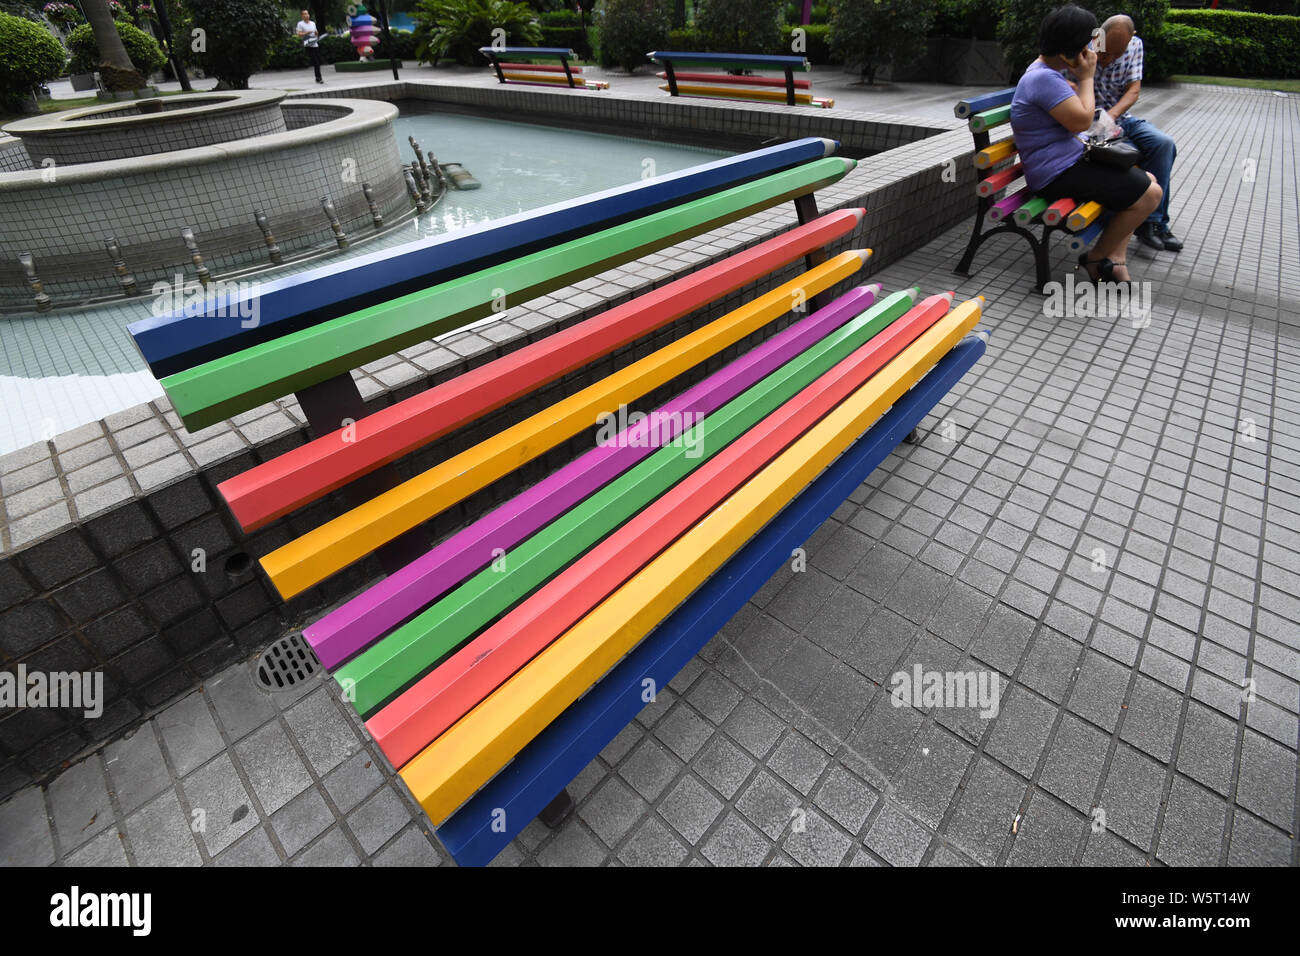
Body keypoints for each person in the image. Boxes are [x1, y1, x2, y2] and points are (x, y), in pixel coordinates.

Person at [1010, 4, 1161, 286]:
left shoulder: (1045, 70)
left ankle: (1114, 256)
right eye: (1089, 43)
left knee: (1148, 181)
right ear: (1075, 48)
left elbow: (1081, 113)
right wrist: (1087, 78)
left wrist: (1081, 84)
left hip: (1069, 162)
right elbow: (1082, 121)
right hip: (1054, 174)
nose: (1093, 49)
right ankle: (1096, 259)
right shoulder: (1044, 78)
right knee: (1150, 194)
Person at [1090, 14, 1182, 251]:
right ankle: (1145, 220)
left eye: (1116, 54)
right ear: (1098, 34)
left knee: (1163, 143)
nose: (1108, 59)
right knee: (1127, 155)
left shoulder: (1135, 45)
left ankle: (1152, 224)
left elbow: (1133, 91)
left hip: (1122, 119)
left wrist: (1111, 116)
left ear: (1131, 39)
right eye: (1105, 52)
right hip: (1090, 124)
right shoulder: (1086, 44)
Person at [297, 10, 324, 85]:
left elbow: (316, 33)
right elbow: (299, 34)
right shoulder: (300, 24)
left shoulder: (312, 23)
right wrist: (306, 33)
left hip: (315, 43)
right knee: (316, 62)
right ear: (302, 16)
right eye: (305, 14)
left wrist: (316, 33)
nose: (307, 15)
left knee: (318, 61)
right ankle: (319, 78)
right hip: (308, 44)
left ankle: (317, 77)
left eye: (307, 13)